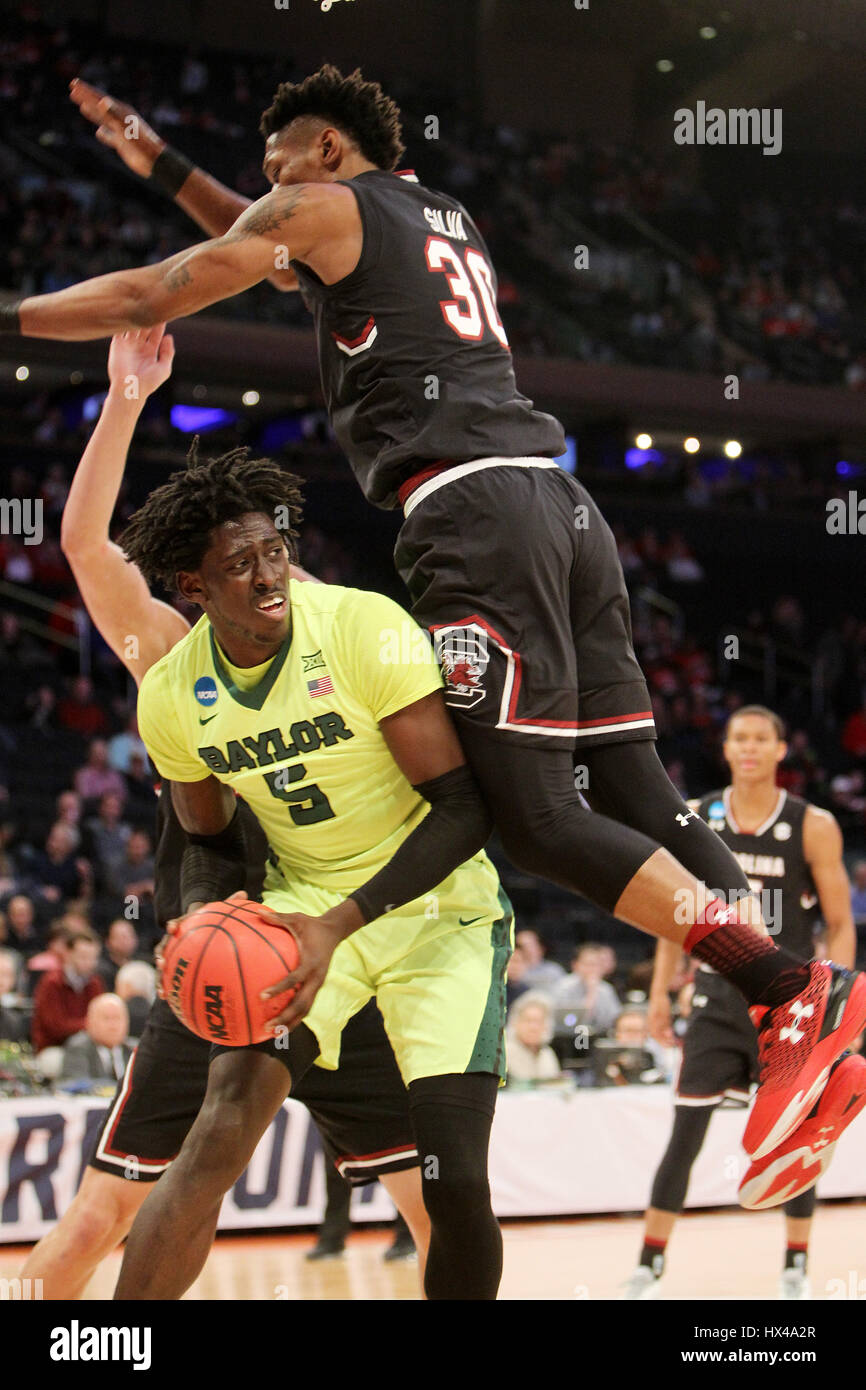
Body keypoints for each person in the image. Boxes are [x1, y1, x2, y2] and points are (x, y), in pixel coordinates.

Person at [6, 66, 866, 1197]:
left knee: (535, 815)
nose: (264, 193)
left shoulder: (321, 207)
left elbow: (155, 291)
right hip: (561, 508)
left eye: (274, 169)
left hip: (470, 517)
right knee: (638, 791)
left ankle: (792, 994)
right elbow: (261, 238)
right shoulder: (431, 215)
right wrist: (156, 163)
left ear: (323, 153)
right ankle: (796, 1020)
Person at [21, 329, 499, 1302]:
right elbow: (82, 544)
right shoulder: (170, 661)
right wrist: (125, 395)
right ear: (192, 588)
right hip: (226, 949)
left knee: (427, 1198)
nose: (265, 578)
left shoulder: (326, 627)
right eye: (239, 564)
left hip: (346, 928)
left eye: (272, 554)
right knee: (112, 1204)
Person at [623, 706, 864, 1302]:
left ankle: (795, 1266)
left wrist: (839, 1009)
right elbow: (666, 906)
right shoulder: (698, 815)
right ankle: (649, 1266)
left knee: (797, 1135)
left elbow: (838, 922)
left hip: (793, 1012)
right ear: (725, 748)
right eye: (739, 739)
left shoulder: (813, 824)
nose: (750, 748)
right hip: (714, 998)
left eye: (762, 739)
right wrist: (659, 991)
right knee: (685, 1133)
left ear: (783, 749)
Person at [31, 931, 104, 1051]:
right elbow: (55, 1027)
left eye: (93, 957)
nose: (89, 962)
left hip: (88, 1046)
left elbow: (100, 1018)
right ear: (68, 954)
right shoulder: (52, 982)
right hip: (54, 1047)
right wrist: (90, 1025)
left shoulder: (95, 983)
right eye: (83, 956)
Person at [62, 993, 133, 1083]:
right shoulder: (78, 1049)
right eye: (106, 1018)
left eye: (117, 1018)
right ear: (89, 1022)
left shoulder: (135, 1051)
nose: (113, 1026)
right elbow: (77, 1084)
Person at [552, 944, 622, 1032]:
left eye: (596, 965)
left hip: (599, 1035)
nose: (592, 969)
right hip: (569, 1036)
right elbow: (568, 1021)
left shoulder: (606, 989)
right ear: (575, 965)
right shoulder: (563, 986)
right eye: (588, 964)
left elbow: (615, 1019)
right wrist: (591, 993)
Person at [505, 992, 562, 1084]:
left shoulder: (548, 1054)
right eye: (528, 1020)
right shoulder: (504, 1054)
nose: (533, 1027)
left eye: (538, 1021)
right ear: (514, 1023)